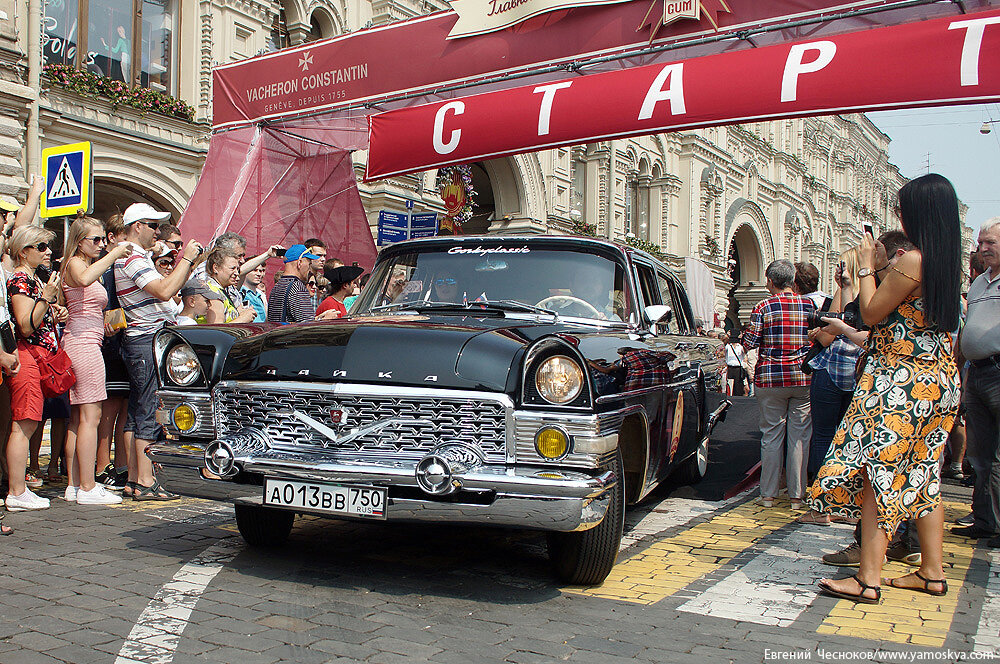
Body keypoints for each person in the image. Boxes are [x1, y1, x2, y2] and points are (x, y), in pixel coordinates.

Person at [810, 173, 962, 604]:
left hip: (901, 378)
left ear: (919, 213)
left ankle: (868, 579)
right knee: (923, 472)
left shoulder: (913, 260)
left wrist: (863, 265)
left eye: (902, 209)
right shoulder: (943, 260)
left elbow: (873, 311)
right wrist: (880, 266)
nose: (898, 215)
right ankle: (931, 572)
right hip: (936, 377)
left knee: (880, 472)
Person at [115, 202, 201, 500]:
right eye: (152, 225)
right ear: (137, 226)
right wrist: (187, 259)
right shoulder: (131, 258)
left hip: (142, 339)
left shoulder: (136, 255)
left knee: (139, 411)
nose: (158, 231)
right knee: (147, 410)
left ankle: (134, 477)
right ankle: (144, 480)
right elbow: (164, 291)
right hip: (145, 340)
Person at [60, 217, 131, 505]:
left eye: (104, 240)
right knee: (91, 417)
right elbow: (85, 279)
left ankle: (75, 484)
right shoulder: (76, 263)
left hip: (87, 338)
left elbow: (86, 304)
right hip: (83, 344)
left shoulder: (83, 264)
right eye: (96, 240)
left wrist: (109, 325)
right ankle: (88, 485)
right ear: (79, 241)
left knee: (79, 419)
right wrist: (114, 254)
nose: (102, 245)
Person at [741, 259, 815, 509]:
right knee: (800, 436)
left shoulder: (763, 306)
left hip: (771, 377)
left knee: (771, 435)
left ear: (769, 281)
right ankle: (797, 496)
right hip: (803, 376)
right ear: (793, 280)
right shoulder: (809, 305)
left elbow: (749, 343)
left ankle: (768, 495)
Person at [4, 226, 67, 511]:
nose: (48, 252)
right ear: (23, 251)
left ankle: (18, 489)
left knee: (27, 422)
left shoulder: (31, 279)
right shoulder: (20, 279)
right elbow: (26, 325)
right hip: (27, 356)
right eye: (41, 247)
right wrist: (46, 299)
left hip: (34, 356)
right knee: (24, 423)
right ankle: (17, 491)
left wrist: (53, 308)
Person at [955, 217, 1000, 547]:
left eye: (991, 243)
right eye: (981, 242)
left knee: (998, 457)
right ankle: (984, 519)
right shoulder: (981, 282)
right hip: (978, 373)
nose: (983, 248)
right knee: (980, 456)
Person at [95, 213, 131, 490]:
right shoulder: (106, 271)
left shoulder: (121, 268)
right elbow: (106, 309)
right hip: (110, 347)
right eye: (125, 239)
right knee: (108, 412)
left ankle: (120, 465)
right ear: (113, 239)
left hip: (123, 345)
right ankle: (101, 466)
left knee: (124, 411)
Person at [267, 244, 319, 323]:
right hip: (290, 335)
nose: (309, 269)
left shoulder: (277, 286)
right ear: (299, 263)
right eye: (309, 264)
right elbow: (308, 325)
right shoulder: (297, 287)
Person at [203, 248, 256, 324]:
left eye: (237, 269)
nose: (237, 273)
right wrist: (243, 319)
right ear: (216, 268)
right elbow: (216, 330)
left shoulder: (221, 290)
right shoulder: (212, 292)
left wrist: (239, 313)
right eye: (232, 268)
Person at [720, 332, 750, 397]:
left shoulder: (740, 347)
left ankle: (738, 395)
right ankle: (730, 394)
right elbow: (724, 354)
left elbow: (745, 352)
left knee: (738, 383)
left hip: (738, 367)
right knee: (730, 382)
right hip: (730, 367)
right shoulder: (728, 346)